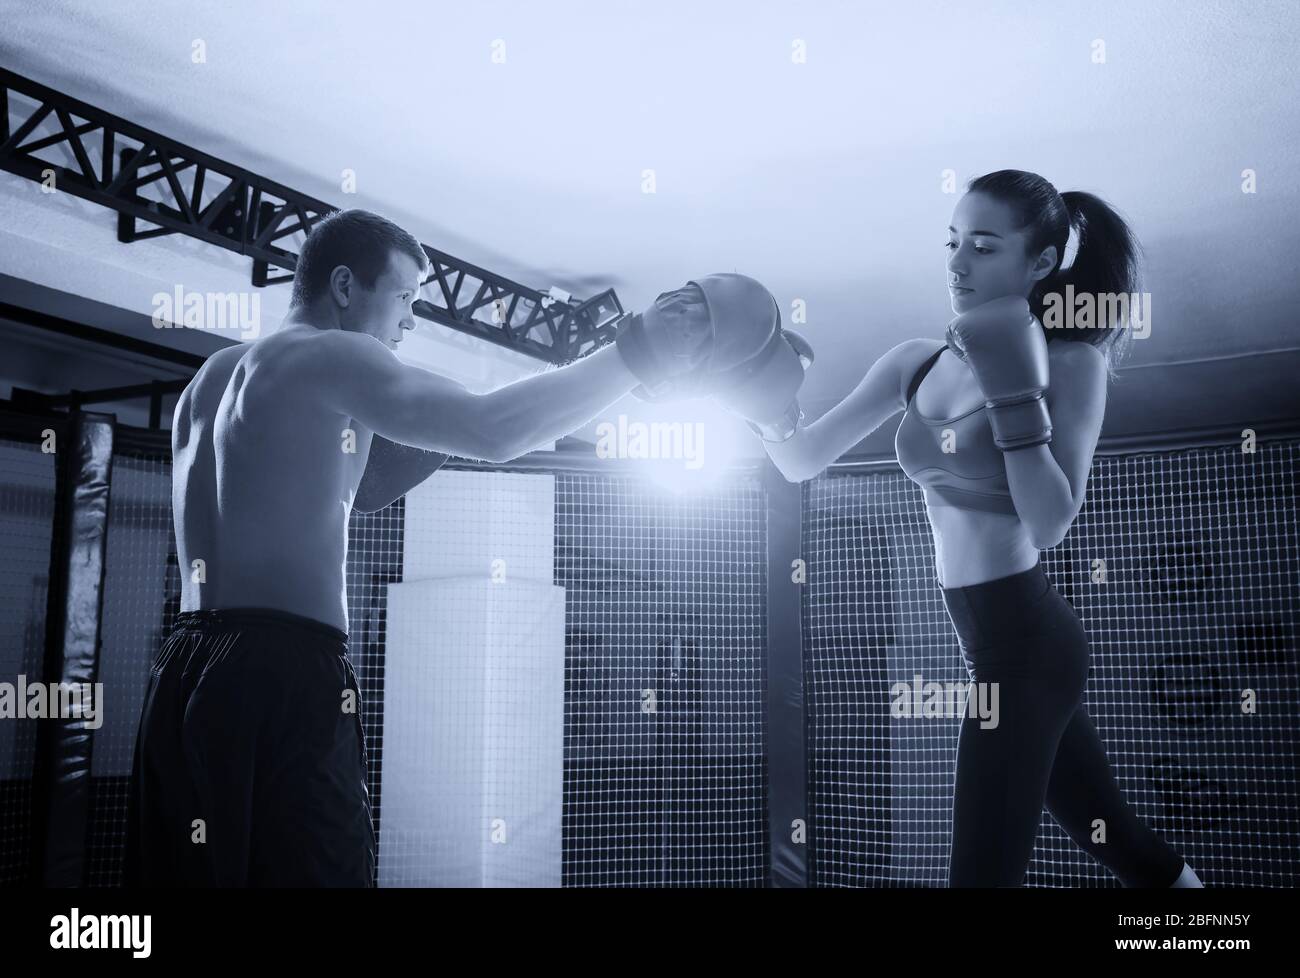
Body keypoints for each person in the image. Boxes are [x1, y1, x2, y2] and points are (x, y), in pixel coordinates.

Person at [125, 206, 780, 886]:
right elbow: (494, 430)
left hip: (185, 673)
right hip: (284, 669)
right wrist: (637, 351)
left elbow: (368, 481)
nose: (409, 321)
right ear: (345, 286)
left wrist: (611, 385)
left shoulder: (211, 381)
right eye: (404, 297)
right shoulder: (337, 356)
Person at [743, 170, 1203, 888]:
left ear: (1041, 264)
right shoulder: (914, 361)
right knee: (1124, 844)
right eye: (954, 242)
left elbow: (1051, 521)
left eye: (985, 248)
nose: (958, 264)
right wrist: (758, 396)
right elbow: (801, 459)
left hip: (1029, 649)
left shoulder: (1072, 364)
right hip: (987, 646)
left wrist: (1013, 389)